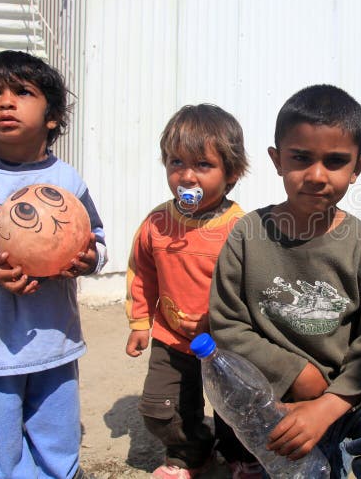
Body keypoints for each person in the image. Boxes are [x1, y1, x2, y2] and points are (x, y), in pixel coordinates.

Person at [209, 85, 361, 478]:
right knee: (304, 461)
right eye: (301, 158)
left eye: (336, 162)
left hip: (355, 388)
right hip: (278, 390)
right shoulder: (246, 236)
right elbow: (227, 325)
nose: (316, 176)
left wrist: (330, 404)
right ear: (277, 160)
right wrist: (295, 374)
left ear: (357, 168)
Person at [0, 50, 108, 478]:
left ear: (52, 116)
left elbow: (98, 241)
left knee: (58, 434)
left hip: (55, 341)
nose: (5, 102)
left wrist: (88, 259)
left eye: (22, 92)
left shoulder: (67, 181)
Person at [124, 104, 258, 479]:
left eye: (202, 165)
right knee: (160, 409)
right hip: (172, 338)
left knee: (233, 408)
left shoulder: (240, 228)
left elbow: (255, 285)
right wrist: (139, 322)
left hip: (226, 342)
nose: (186, 176)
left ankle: (239, 455)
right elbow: (142, 272)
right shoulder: (156, 223)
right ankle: (190, 452)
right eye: (175, 162)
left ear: (231, 172)